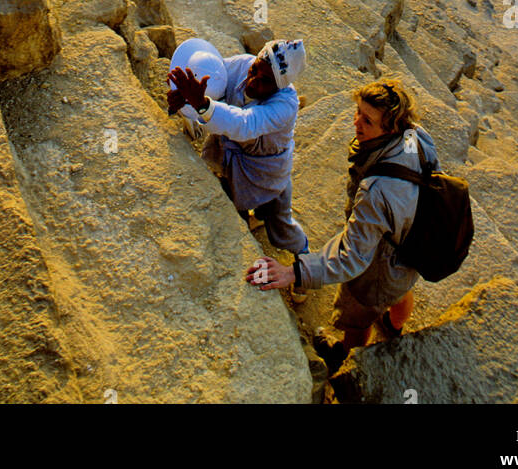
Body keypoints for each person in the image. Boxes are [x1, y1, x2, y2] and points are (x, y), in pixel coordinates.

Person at [245, 77, 438, 364]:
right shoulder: (416, 136)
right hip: (411, 248)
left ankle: (346, 356)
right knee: (399, 289)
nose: (356, 122)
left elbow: (352, 257)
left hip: (378, 267)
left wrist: (293, 273)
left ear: (392, 126)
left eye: (368, 121)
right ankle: (393, 326)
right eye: (358, 111)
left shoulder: (377, 192)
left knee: (358, 317)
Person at [168, 38, 309, 261]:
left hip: (265, 170)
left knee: (280, 226)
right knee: (231, 205)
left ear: (279, 86)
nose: (252, 81)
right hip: (228, 155)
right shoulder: (241, 65)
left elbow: (245, 125)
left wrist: (202, 105)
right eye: (254, 71)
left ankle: (303, 258)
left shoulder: (286, 104)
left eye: (265, 81)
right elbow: (213, 80)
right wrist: (184, 99)